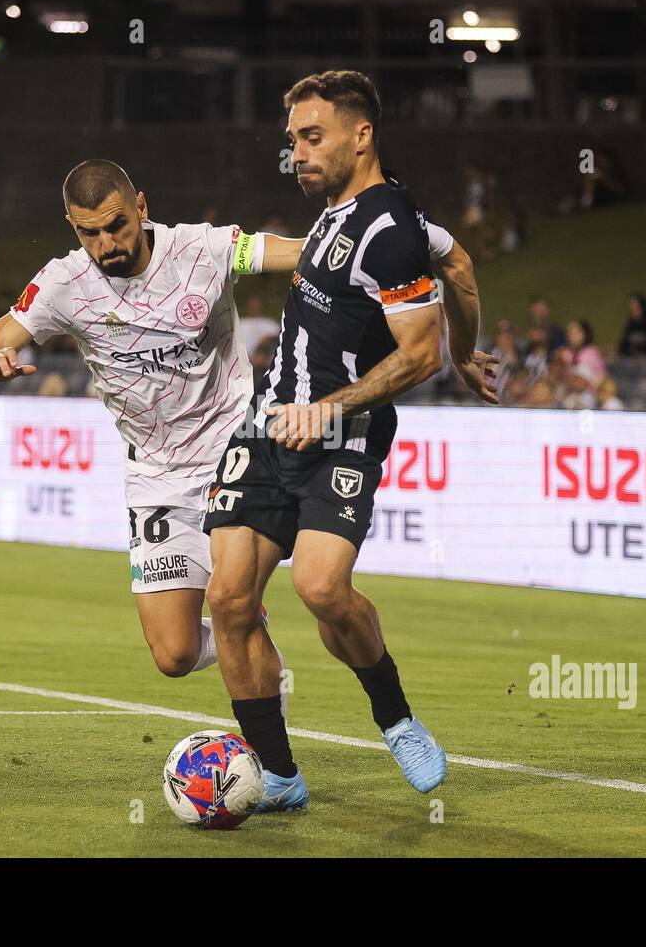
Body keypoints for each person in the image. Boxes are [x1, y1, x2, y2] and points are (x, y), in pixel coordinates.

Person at [0, 158, 476, 708]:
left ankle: (277, 740)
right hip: (155, 476)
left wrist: (413, 239)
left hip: (239, 453)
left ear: (141, 207)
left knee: (265, 599)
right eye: (90, 233)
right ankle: (245, 631)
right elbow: (3, 333)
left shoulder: (203, 250)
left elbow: (310, 251)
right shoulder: (64, 282)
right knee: (174, 655)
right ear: (72, 226)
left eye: (117, 225)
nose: (107, 242)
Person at [201, 70, 497, 811]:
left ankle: (394, 716)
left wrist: (338, 404)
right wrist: (470, 346)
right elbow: (458, 262)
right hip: (269, 425)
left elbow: (416, 356)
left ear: (360, 135)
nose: (297, 153)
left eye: (312, 137)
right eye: (293, 140)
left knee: (321, 588)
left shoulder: (390, 232)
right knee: (229, 602)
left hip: (345, 433)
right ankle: (279, 777)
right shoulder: (343, 212)